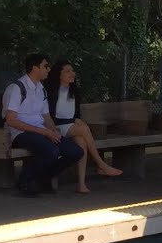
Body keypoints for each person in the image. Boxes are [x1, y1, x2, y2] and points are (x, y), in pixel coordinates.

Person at [2, 53, 84, 197]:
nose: (49, 69)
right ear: (35, 68)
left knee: (75, 151)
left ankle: (44, 177)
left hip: (41, 131)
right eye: (45, 66)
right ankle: (24, 181)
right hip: (20, 133)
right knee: (51, 151)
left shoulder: (41, 88)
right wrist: (44, 132)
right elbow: (11, 120)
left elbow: (46, 116)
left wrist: (53, 130)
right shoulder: (16, 88)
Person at [47, 61, 123, 194]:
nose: (72, 74)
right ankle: (101, 164)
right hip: (56, 127)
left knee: (82, 142)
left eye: (73, 71)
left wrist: (76, 120)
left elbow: (74, 113)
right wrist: (74, 122)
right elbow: (50, 115)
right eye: (67, 71)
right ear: (59, 75)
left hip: (69, 126)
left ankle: (81, 184)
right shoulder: (52, 91)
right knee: (84, 129)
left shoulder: (74, 91)